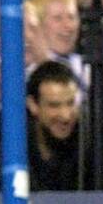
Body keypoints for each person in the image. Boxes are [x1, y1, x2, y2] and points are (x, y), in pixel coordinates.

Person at [26, 61, 81, 192]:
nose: (66, 116)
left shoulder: (88, 142)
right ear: (33, 105)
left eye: (70, 103)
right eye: (54, 105)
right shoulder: (15, 147)